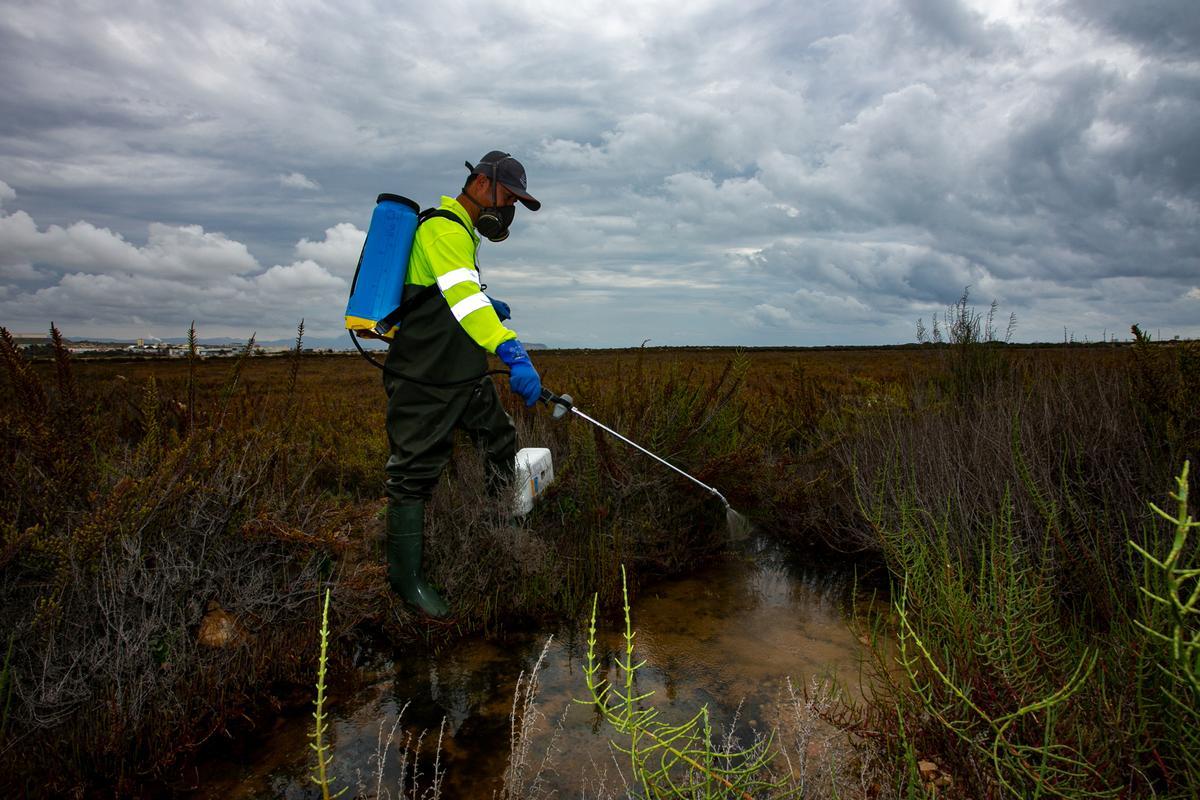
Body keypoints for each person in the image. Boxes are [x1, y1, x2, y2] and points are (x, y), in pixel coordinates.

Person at [381, 150, 543, 618]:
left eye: (515, 201)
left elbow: (453, 296)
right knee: (413, 471)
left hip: (464, 371)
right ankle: (406, 581)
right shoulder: (442, 229)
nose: (509, 208)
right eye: (507, 196)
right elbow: (464, 300)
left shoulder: (460, 234)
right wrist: (511, 350)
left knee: (499, 437)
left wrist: (491, 306)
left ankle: (498, 525)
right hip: (425, 376)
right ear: (481, 183)